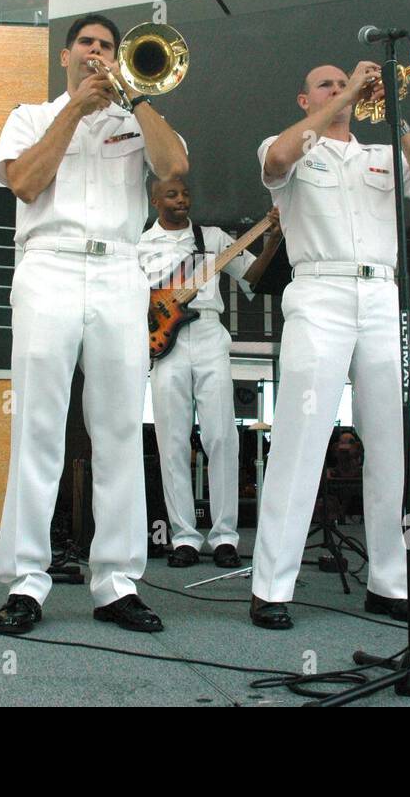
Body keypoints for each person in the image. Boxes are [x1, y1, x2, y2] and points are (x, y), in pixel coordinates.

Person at [0, 14, 189, 634]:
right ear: (65, 56)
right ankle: (26, 578)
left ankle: (117, 581)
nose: (98, 54)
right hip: (49, 264)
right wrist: (74, 111)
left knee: (121, 430)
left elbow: (174, 169)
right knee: (39, 427)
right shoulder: (30, 114)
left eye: (108, 47)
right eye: (88, 46)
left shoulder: (137, 120)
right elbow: (23, 182)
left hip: (119, 271)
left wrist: (138, 96)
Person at [249, 61, 410, 629]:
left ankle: (389, 583)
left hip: (382, 295)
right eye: (326, 86)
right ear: (303, 98)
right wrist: (341, 105)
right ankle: (271, 586)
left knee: (390, 444)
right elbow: (276, 162)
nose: (339, 91)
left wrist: (395, 122)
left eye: (345, 84)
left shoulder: (382, 152)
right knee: (301, 438)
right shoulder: (290, 144)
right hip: (319, 291)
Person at [139, 178, 282, 570]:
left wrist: (272, 237)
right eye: (172, 194)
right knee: (172, 441)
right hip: (165, 347)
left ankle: (224, 536)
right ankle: (183, 536)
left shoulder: (213, 238)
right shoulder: (139, 247)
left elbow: (255, 278)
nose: (182, 199)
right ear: (154, 200)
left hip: (208, 335)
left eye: (186, 192)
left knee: (221, 436)